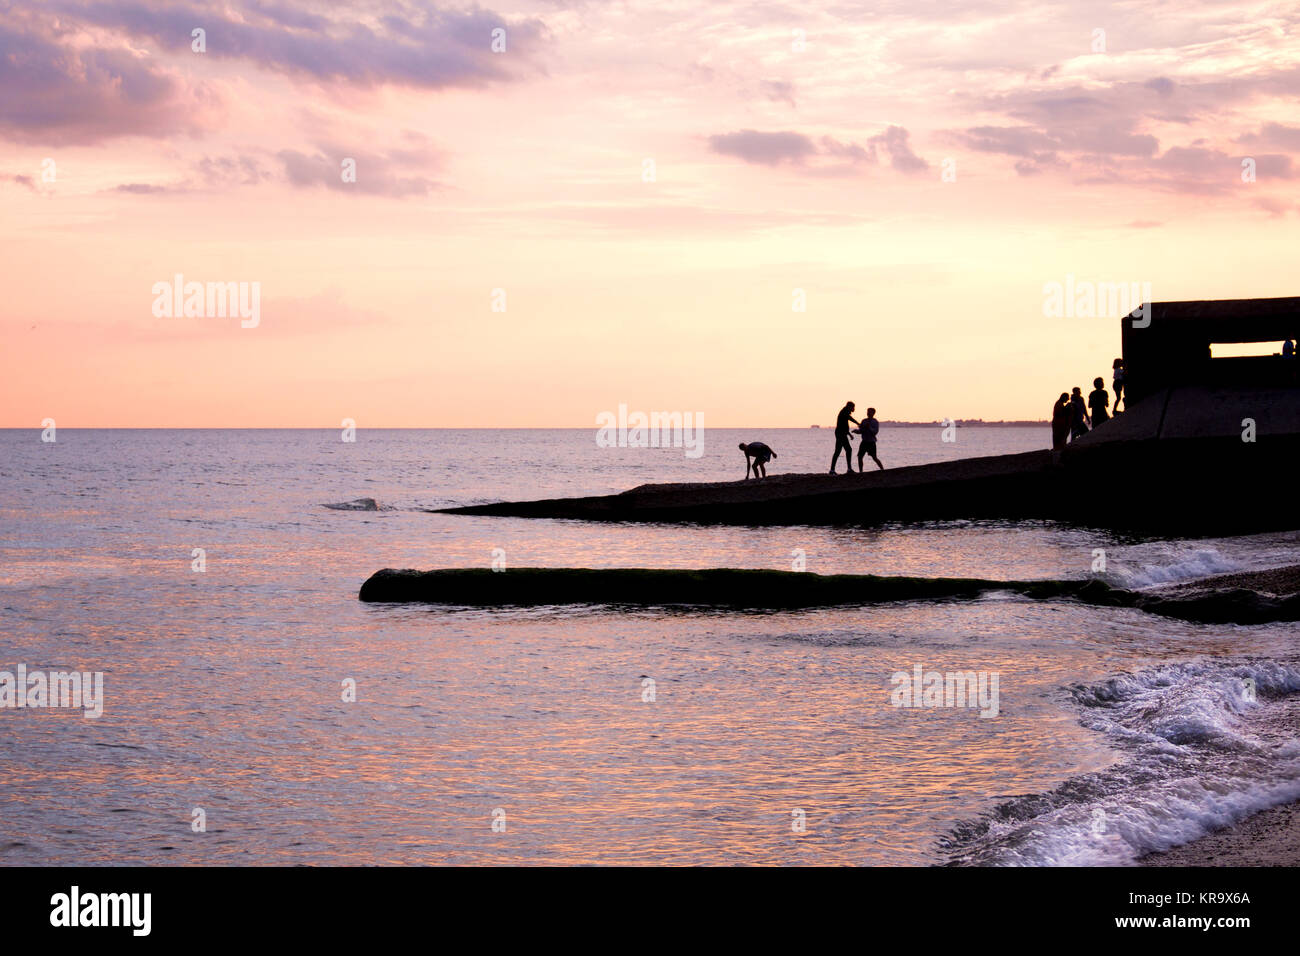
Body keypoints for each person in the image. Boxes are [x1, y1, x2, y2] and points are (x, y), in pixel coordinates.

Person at [829, 401, 859, 474]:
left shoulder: (844, 412)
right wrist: (858, 423)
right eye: (853, 407)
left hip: (841, 433)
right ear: (849, 407)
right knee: (848, 450)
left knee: (838, 451)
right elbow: (849, 419)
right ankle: (848, 469)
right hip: (840, 433)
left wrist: (849, 434)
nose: (854, 409)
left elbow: (844, 426)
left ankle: (832, 470)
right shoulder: (844, 412)